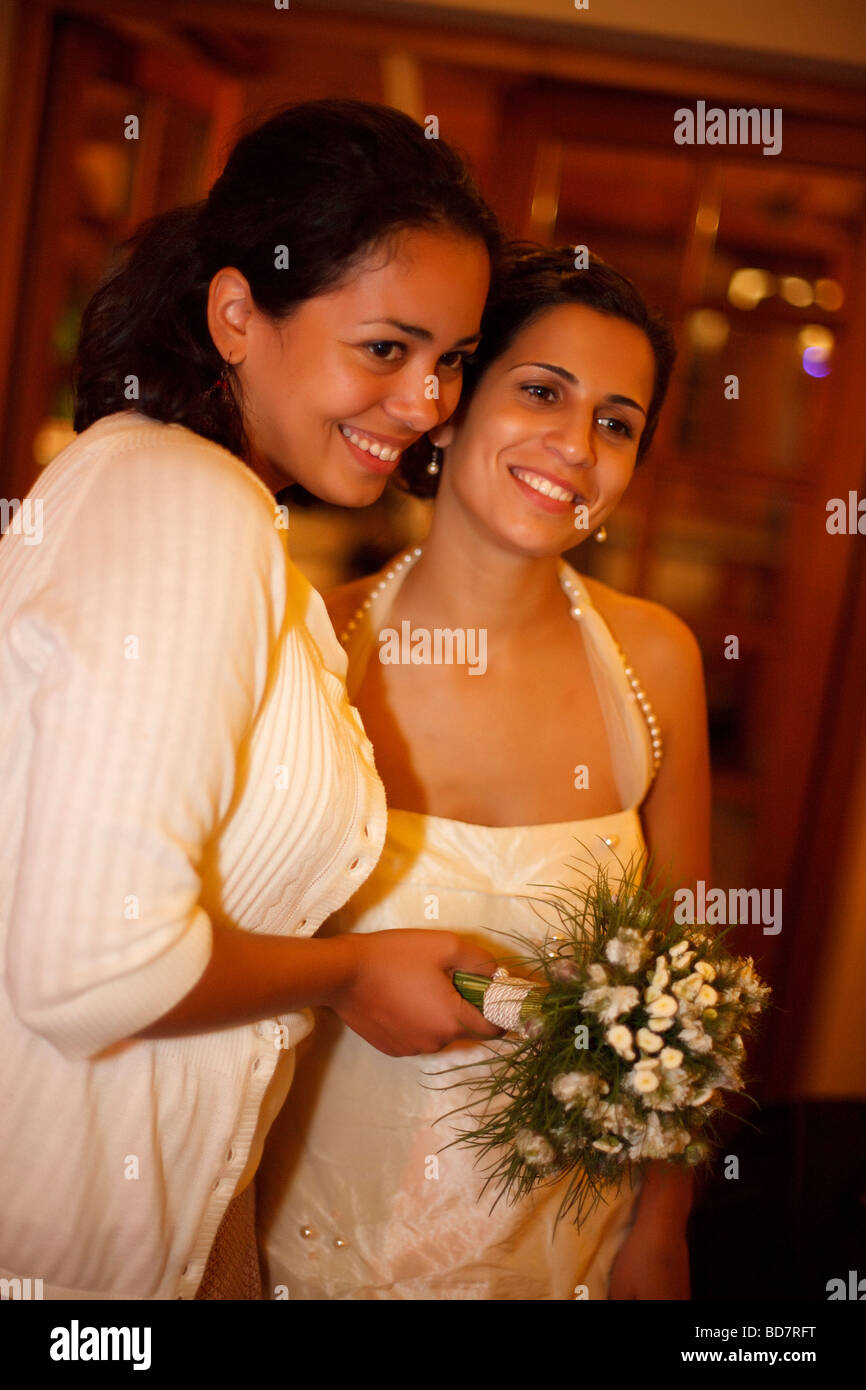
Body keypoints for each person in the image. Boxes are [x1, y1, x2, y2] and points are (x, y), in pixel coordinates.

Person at [0, 99, 503, 1300]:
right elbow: (89, 970)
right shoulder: (188, 505)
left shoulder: (167, 491)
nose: (428, 401)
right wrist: (346, 972)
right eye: (385, 348)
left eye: (450, 362)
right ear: (237, 313)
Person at [256, 246, 711, 1299]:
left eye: (615, 421)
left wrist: (661, 1228)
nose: (573, 444)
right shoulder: (307, 642)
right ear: (451, 407)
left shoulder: (654, 662)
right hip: (309, 1228)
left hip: (557, 1247)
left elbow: (680, 992)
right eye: (541, 391)